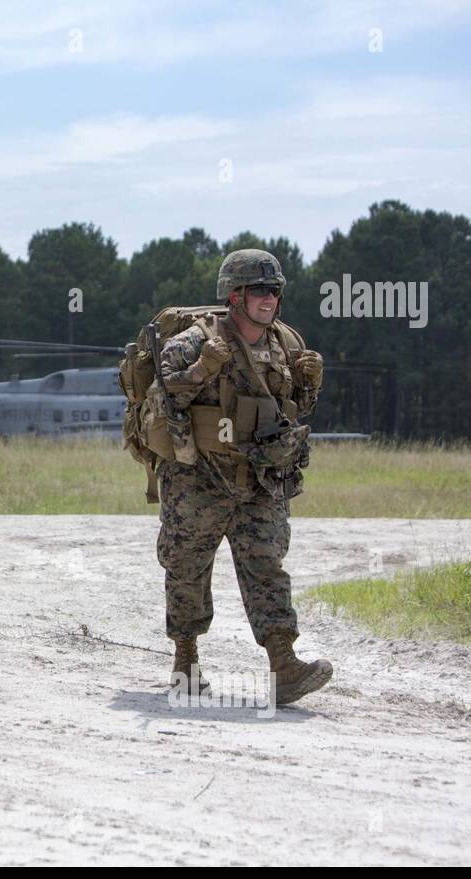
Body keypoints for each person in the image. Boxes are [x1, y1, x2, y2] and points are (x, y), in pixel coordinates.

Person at [152, 249, 331, 705]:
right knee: (187, 566)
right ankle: (186, 658)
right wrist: (201, 369)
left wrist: (310, 384)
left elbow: (291, 410)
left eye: (275, 290)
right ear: (234, 296)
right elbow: (163, 394)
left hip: (260, 480)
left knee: (267, 566)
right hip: (199, 478)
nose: (269, 299)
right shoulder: (196, 340)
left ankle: (284, 664)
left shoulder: (286, 344)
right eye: (259, 290)